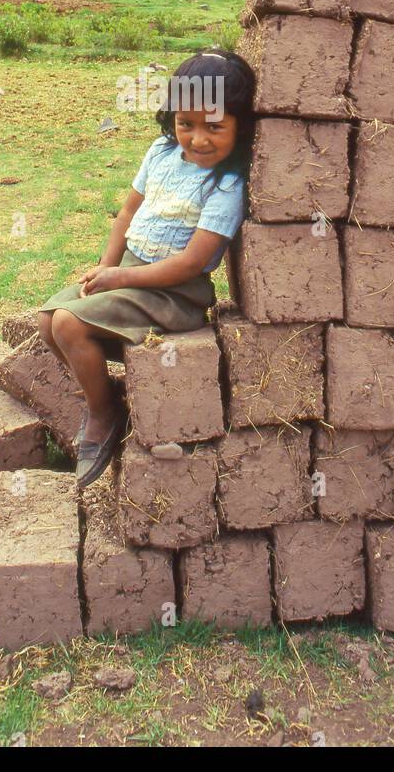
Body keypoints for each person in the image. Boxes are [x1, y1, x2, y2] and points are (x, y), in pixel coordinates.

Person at [38, 49, 256, 488]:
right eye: (185, 124)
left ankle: (103, 413)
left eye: (215, 127)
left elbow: (194, 262)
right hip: (132, 276)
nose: (197, 139)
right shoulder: (160, 153)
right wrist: (104, 270)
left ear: (241, 126)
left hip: (174, 292)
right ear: (171, 117)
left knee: (69, 324)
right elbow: (126, 215)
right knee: (48, 321)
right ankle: (111, 391)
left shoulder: (227, 183)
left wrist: (119, 279)